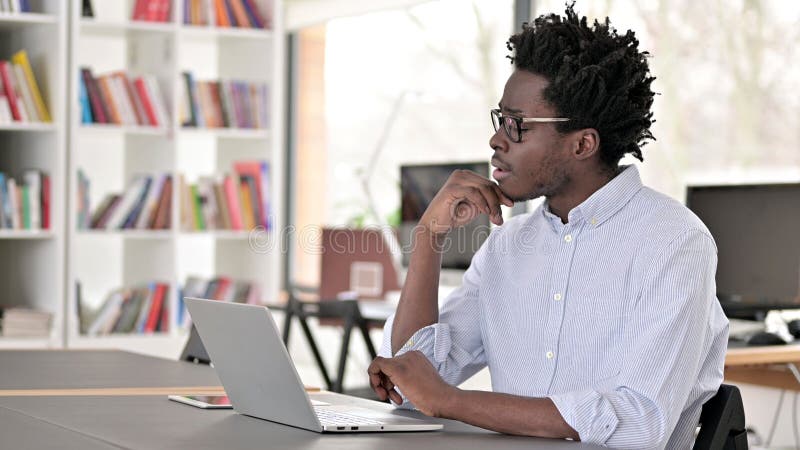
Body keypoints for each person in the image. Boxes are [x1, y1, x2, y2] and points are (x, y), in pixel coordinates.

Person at [367, 4, 729, 449]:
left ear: (582, 144)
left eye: (517, 125)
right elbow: (410, 382)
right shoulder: (507, 248)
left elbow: (639, 423)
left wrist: (451, 401)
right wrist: (428, 239)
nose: (496, 140)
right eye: (500, 120)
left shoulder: (674, 243)